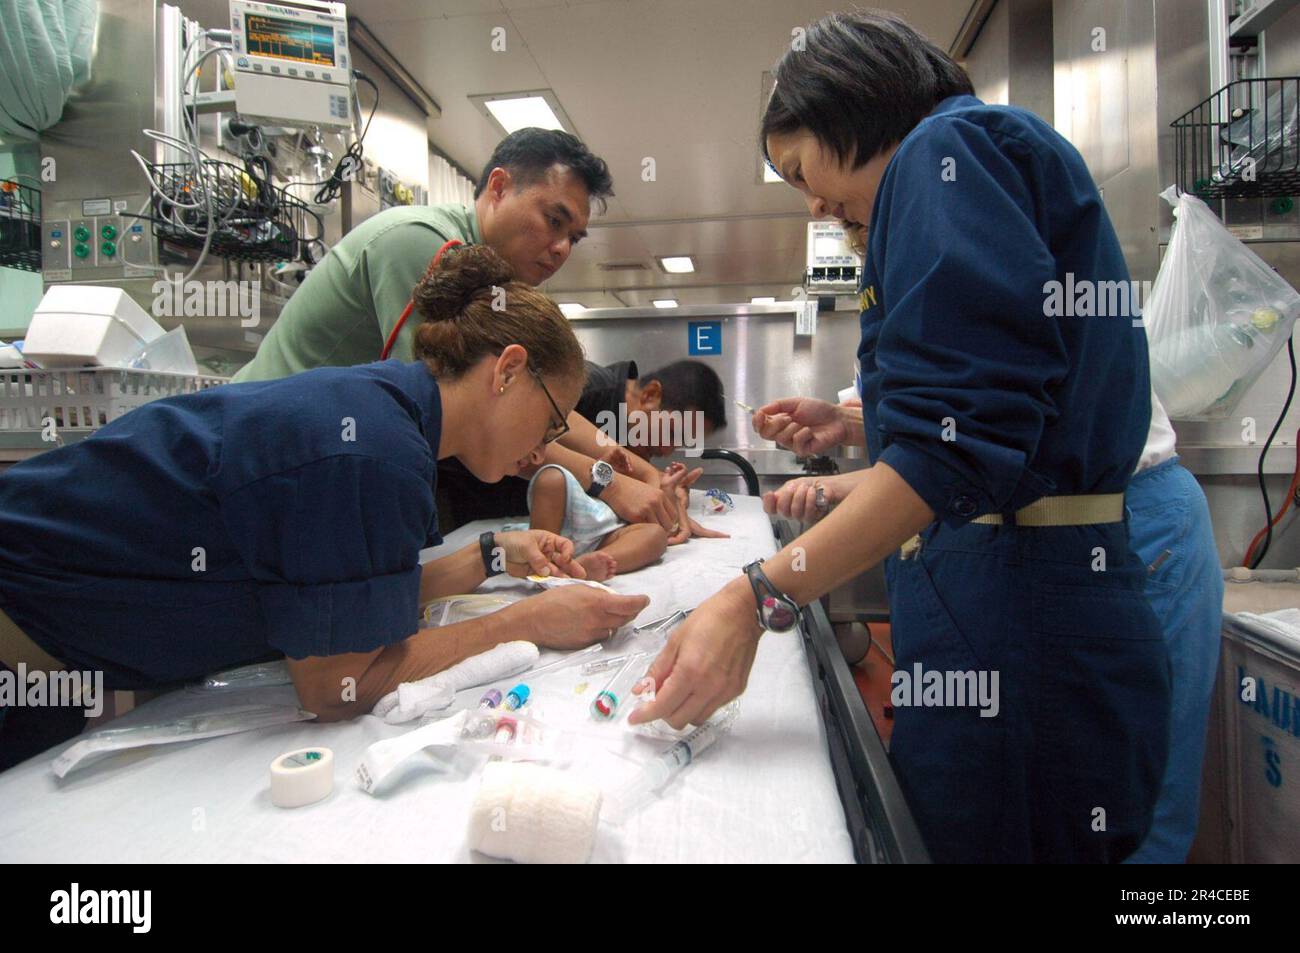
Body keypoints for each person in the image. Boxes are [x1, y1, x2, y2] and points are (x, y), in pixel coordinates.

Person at [629, 10, 1171, 864]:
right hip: (1011, 598)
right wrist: (858, 423)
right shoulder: (970, 165)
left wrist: (757, 597)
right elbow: (994, 413)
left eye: (801, 167)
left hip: (1021, 617)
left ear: (852, 104)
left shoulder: (947, 153)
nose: (811, 200)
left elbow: (954, 451)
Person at [0, 245, 648, 771]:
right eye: (552, 419)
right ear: (507, 369)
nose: (547, 444)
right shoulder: (373, 451)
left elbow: (343, 598)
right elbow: (340, 683)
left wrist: (488, 556)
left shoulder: (387, 417)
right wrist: (531, 621)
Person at [235, 126, 683, 539]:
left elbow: (545, 398)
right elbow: (483, 420)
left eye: (575, 237)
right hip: (260, 455)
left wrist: (635, 471)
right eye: (554, 220)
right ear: (499, 187)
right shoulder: (422, 245)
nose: (562, 247)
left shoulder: (493, 286)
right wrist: (608, 483)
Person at [504, 446, 675, 581]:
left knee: (656, 535)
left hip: (601, 538)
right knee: (552, 479)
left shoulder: (643, 517)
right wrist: (608, 470)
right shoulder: (640, 484)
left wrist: (668, 492)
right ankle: (543, 557)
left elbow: (666, 524)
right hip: (566, 517)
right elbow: (594, 484)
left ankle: (578, 567)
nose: (670, 449)